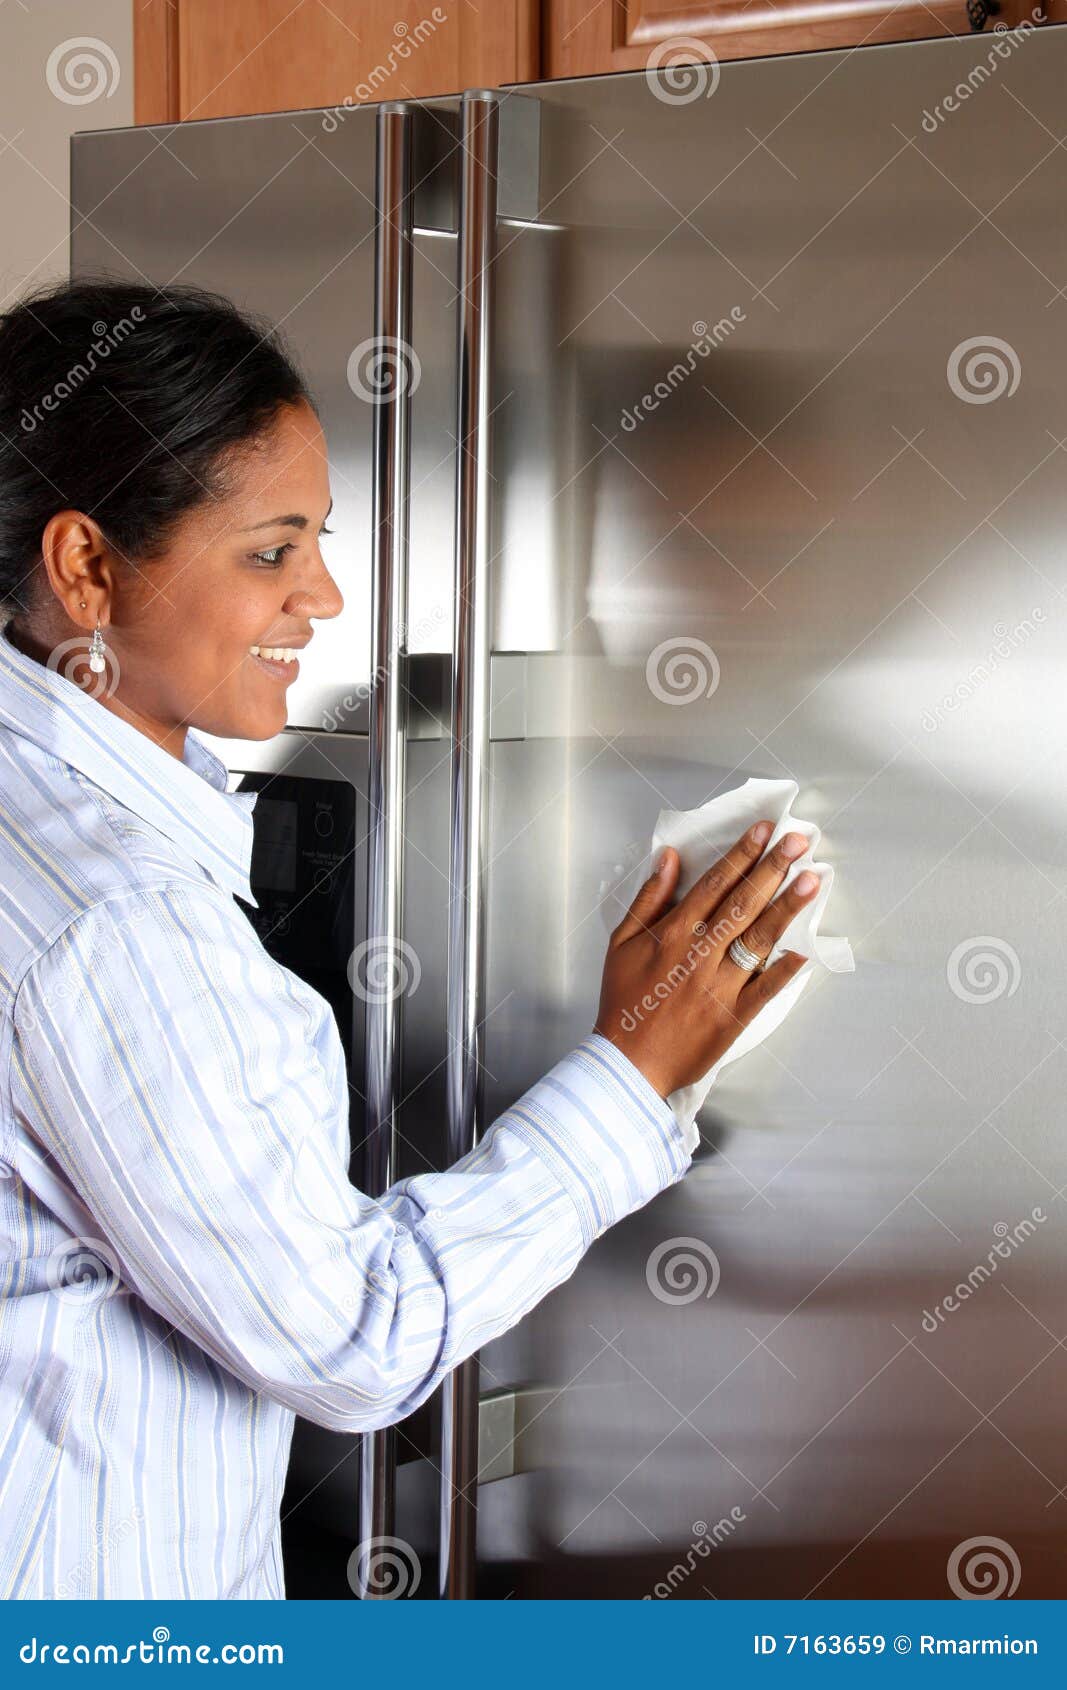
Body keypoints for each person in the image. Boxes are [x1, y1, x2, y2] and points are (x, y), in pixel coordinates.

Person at [0, 278, 820, 1599]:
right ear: (89, 566)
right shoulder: (120, 924)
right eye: (272, 551)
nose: (324, 595)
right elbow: (350, 1337)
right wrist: (632, 1070)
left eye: (320, 539)